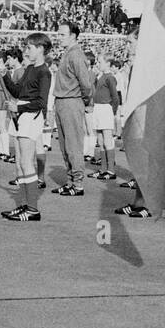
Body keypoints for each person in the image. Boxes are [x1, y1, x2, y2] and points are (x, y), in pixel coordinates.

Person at [0, 34, 51, 222]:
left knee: (27, 162)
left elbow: (41, 102)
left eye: (29, 47)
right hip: (22, 115)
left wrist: (18, 107)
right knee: (21, 162)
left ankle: (32, 209)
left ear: (40, 49)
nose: (26, 50)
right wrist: (4, 75)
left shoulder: (44, 72)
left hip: (31, 115)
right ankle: (24, 204)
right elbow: (17, 91)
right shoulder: (29, 68)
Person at [51, 20, 94, 196]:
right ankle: (70, 181)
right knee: (64, 145)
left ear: (73, 36)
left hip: (71, 101)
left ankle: (77, 183)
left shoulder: (76, 55)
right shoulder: (67, 53)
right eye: (58, 34)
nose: (59, 37)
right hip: (61, 101)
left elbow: (86, 83)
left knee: (73, 144)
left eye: (62, 34)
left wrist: (86, 101)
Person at [88, 53, 120, 182]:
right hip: (98, 109)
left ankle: (111, 170)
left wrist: (111, 111)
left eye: (100, 62)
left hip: (105, 108)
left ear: (108, 63)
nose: (97, 64)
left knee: (107, 140)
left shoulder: (110, 78)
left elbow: (115, 97)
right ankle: (103, 168)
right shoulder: (99, 76)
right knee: (100, 141)